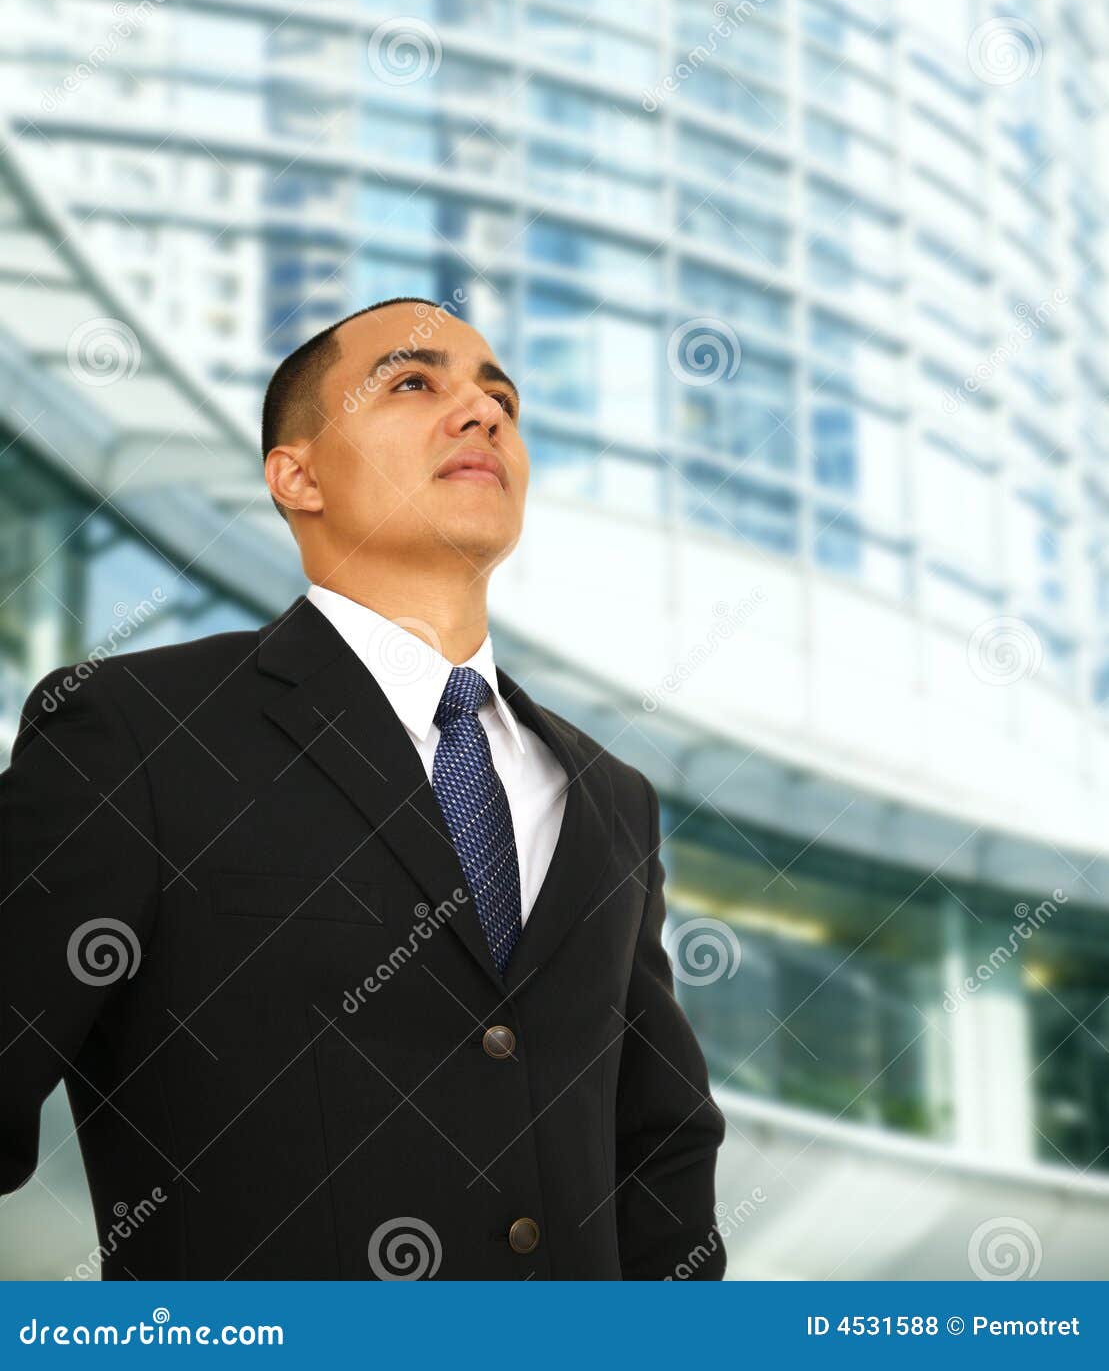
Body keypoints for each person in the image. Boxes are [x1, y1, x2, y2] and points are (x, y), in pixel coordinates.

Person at [0, 295, 727, 1280]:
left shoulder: (610, 797)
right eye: (413, 383)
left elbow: (659, 1145)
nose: (482, 413)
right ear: (296, 475)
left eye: (502, 400)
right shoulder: (139, 730)